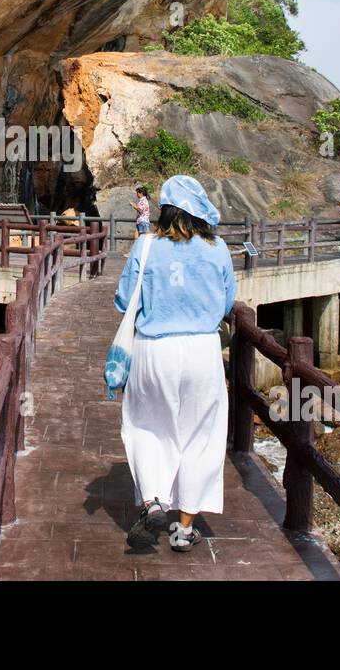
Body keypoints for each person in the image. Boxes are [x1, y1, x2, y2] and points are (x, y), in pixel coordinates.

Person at [113, 175, 236, 552]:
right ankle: (184, 529)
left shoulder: (146, 246)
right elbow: (228, 303)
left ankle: (153, 502)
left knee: (148, 426)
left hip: (154, 350)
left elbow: (123, 300)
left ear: (164, 209)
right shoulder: (218, 249)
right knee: (202, 436)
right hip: (202, 349)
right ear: (200, 210)